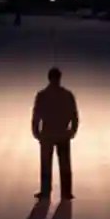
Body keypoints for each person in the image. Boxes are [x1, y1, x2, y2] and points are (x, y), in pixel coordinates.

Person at [31, 67, 78, 200]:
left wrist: (36, 132)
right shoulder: (67, 95)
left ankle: (45, 191)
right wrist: (72, 130)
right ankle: (66, 192)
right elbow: (74, 115)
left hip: (47, 133)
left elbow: (36, 115)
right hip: (62, 133)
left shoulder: (42, 95)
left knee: (46, 164)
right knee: (64, 164)